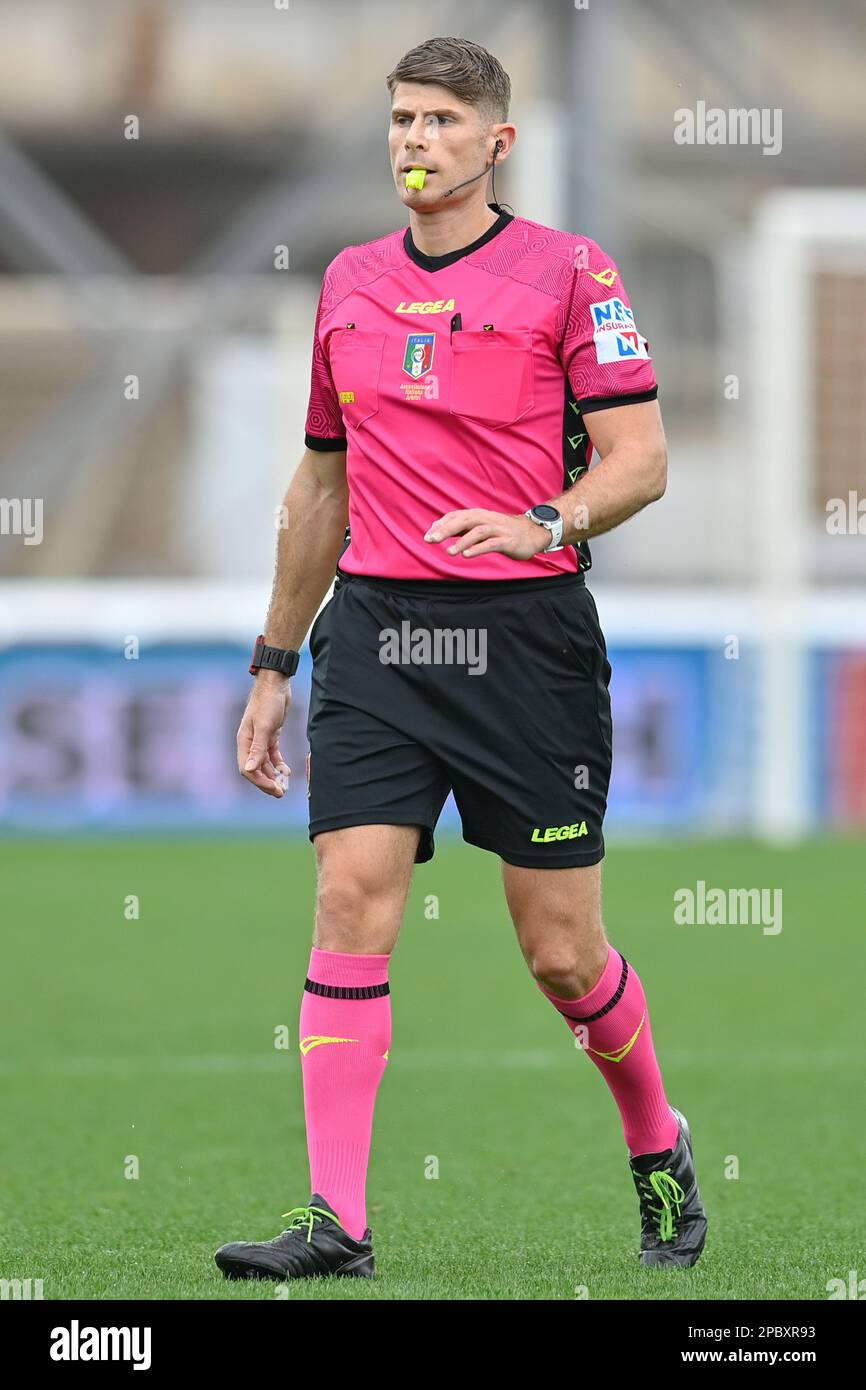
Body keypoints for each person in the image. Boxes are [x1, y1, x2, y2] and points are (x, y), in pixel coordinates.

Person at [215, 34, 706, 1284]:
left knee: (558, 950)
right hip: (377, 634)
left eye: (439, 120)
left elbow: (639, 461)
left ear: (496, 141)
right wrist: (275, 661)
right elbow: (319, 483)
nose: (414, 142)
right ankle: (337, 1220)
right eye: (399, 120)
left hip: (524, 642)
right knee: (350, 893)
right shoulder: (348, 281)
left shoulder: (568, 270)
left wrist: (549, 517)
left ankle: (655, 1139)